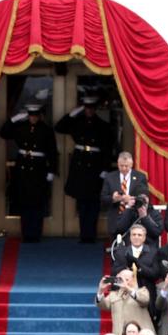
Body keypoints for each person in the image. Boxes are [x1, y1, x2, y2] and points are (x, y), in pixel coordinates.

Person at [55, 94, 116, 243]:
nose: (89, 111)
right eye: (86, 108)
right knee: (82, 202)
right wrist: (72, 114)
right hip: (80, 165)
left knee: (94, 203)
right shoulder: (77, 122)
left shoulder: (103, 125)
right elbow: (59, 127)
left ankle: (91, 235)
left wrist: (105, 168)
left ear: (95, 109)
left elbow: (109, 148)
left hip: (95, 166)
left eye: (91, 108)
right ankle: (84, 234)